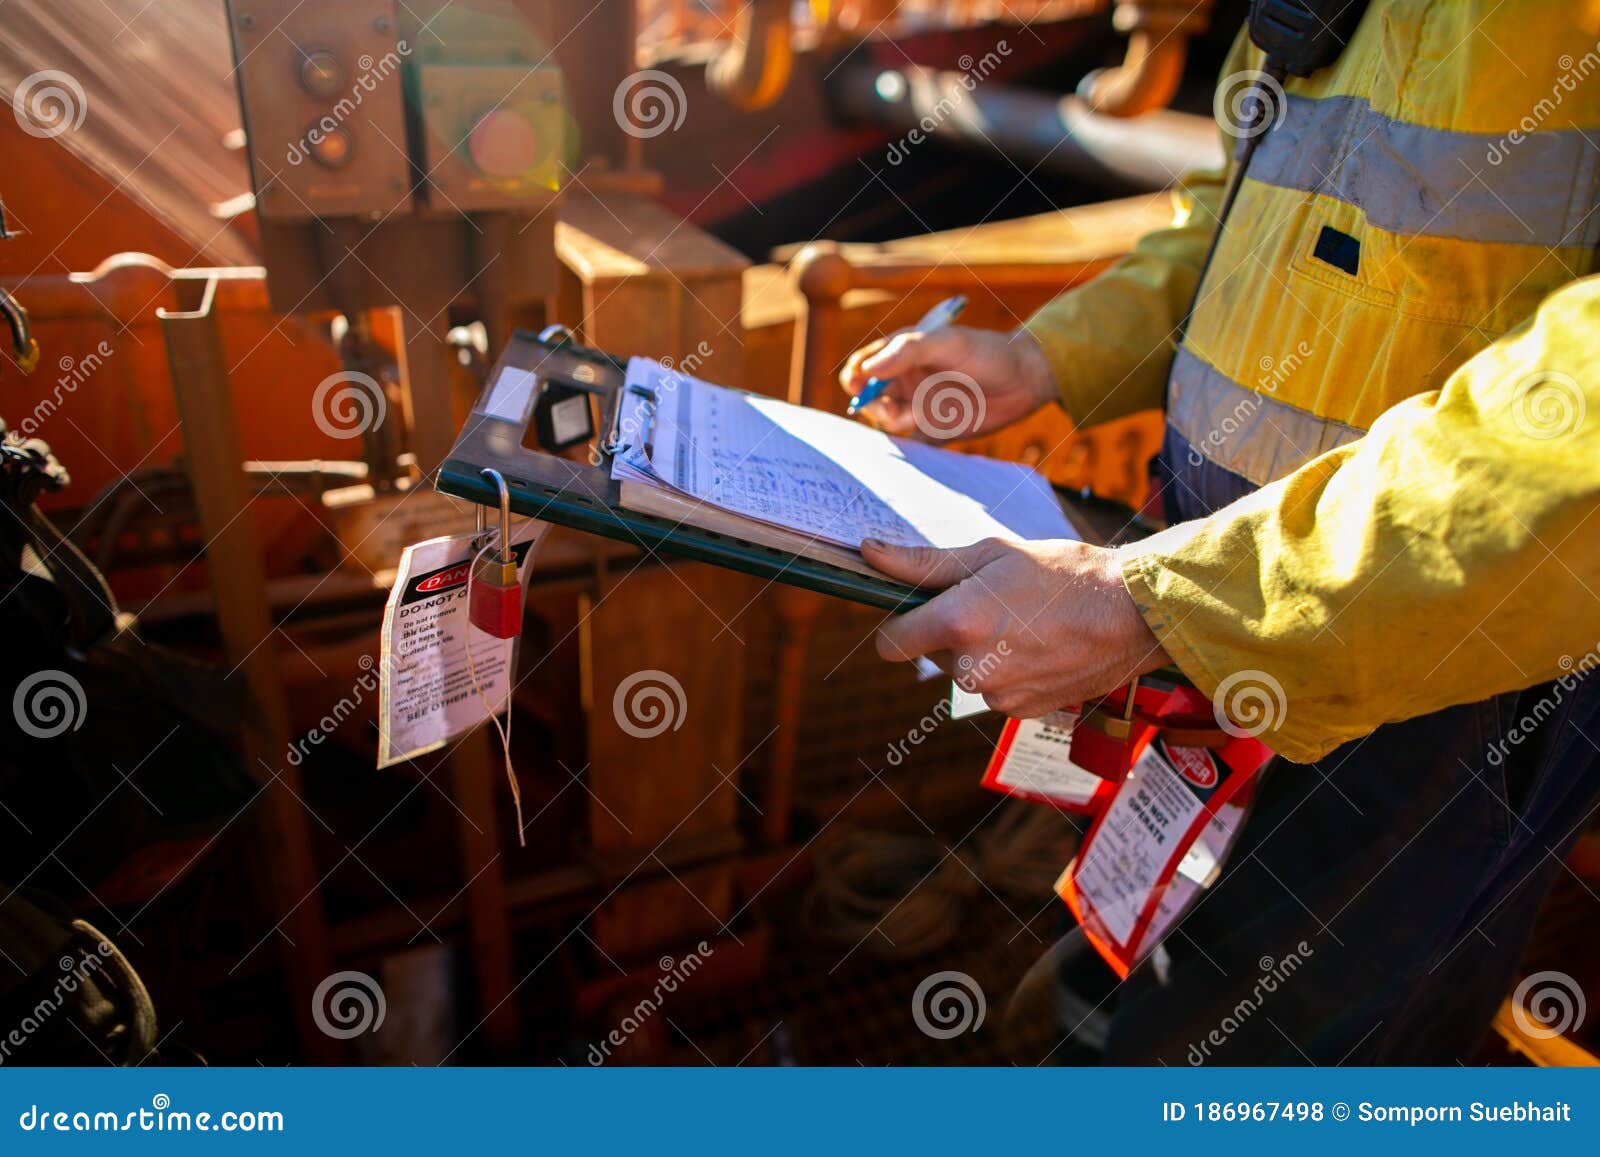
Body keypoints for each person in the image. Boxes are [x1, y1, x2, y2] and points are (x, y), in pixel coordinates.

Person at [841, 1, 1600, 1064]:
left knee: (1282, 1057)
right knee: (1128, 968)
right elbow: (1240, 219)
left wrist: (1163, 601)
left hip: (1432, 682)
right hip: (1195, 592)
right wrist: (1048, 357)